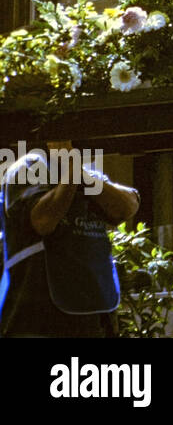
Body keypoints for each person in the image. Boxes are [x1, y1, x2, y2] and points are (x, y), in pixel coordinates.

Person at [0, 141, 139, 337]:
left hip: (91, 313)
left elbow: (127, 207)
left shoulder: (86, 175)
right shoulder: (27, 167)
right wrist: (71, 174)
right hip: (37, 317)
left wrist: (76, 171)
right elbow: (43, 221)